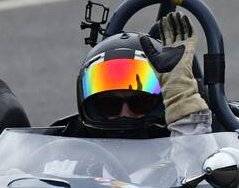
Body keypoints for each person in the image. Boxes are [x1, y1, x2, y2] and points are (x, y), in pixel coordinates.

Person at [76, 12, 212, 136]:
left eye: (139, 103)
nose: (125, 114)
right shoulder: (68, 155)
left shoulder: (181, 150)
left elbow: (193, 156)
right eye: (110, 105)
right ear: (94, 108)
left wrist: (181, 97)